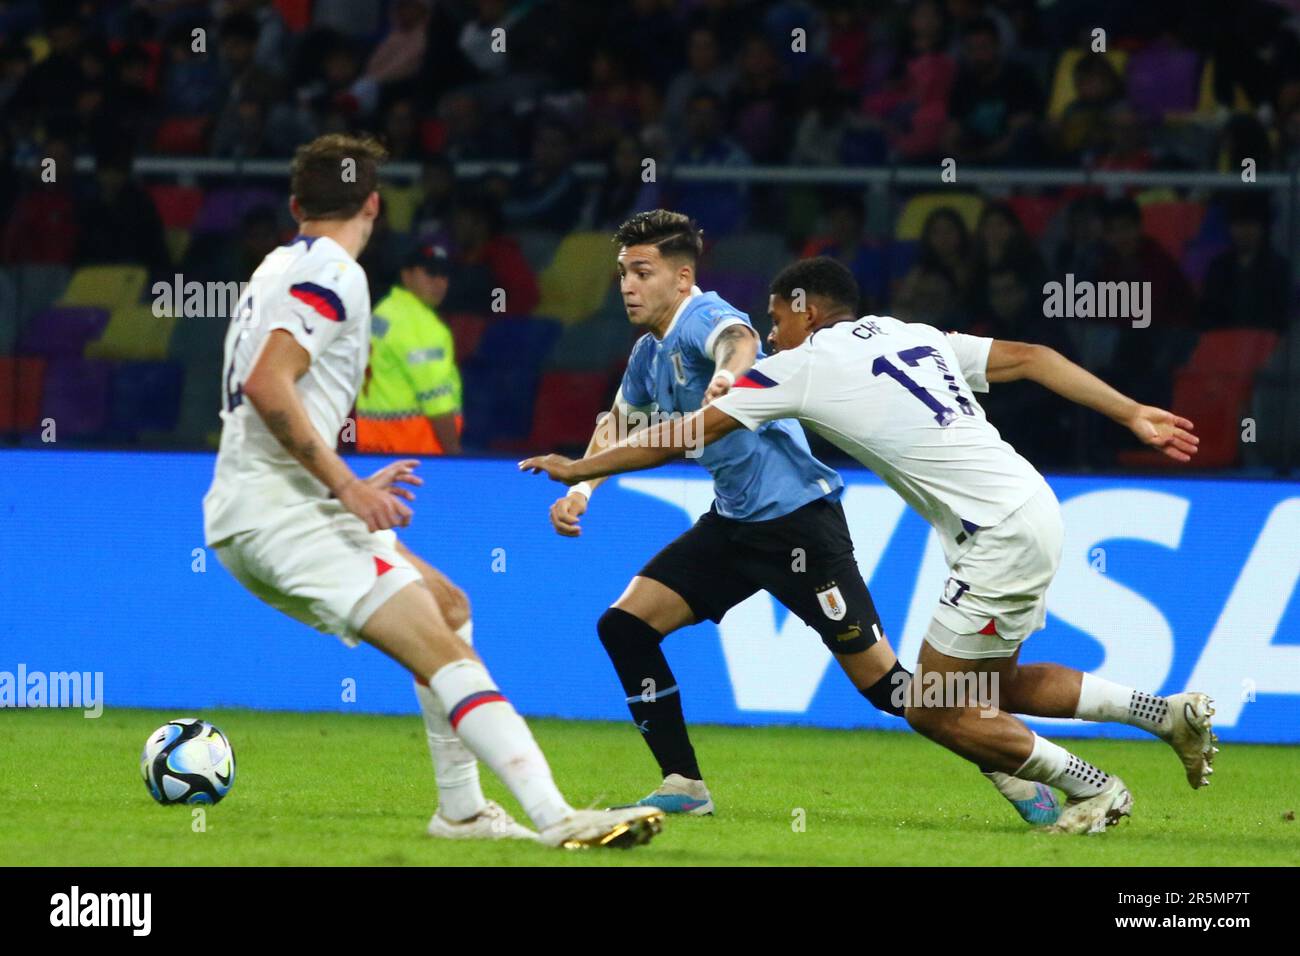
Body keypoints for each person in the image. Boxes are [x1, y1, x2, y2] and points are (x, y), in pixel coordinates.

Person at [522, 256, 1218, 835]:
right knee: (987, 685)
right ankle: (1165, 714)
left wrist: (582, 469)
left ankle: (1093, 787)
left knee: (930, 704)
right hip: (1028, 505)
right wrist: (1130, 411)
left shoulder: (800, 366)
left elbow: (690, 432)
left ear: (811, 313)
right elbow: (1032, 357)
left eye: (778, 318)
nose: (771, 332)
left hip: (994, 534)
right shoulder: (909, 333)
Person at [202, 133, 662, 850]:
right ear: (376, 205)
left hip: (264, 505)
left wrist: (340, 479)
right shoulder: (337, 273)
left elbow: (266, 389)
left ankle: (462, 813)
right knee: (450, 659)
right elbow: (268, 386)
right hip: (285, 515)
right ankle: (557, 818)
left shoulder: (275, 266)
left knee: (448, 608)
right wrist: (348, 485)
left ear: (296, 206)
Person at [356, 241, 463, 455]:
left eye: (444, 274)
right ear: (406, 275)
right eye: (430, 273)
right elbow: (436, 399)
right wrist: (454, 454)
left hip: (374, 445)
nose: (439, 282)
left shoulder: (383, 312)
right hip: (416, 452)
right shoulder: (421, 326)